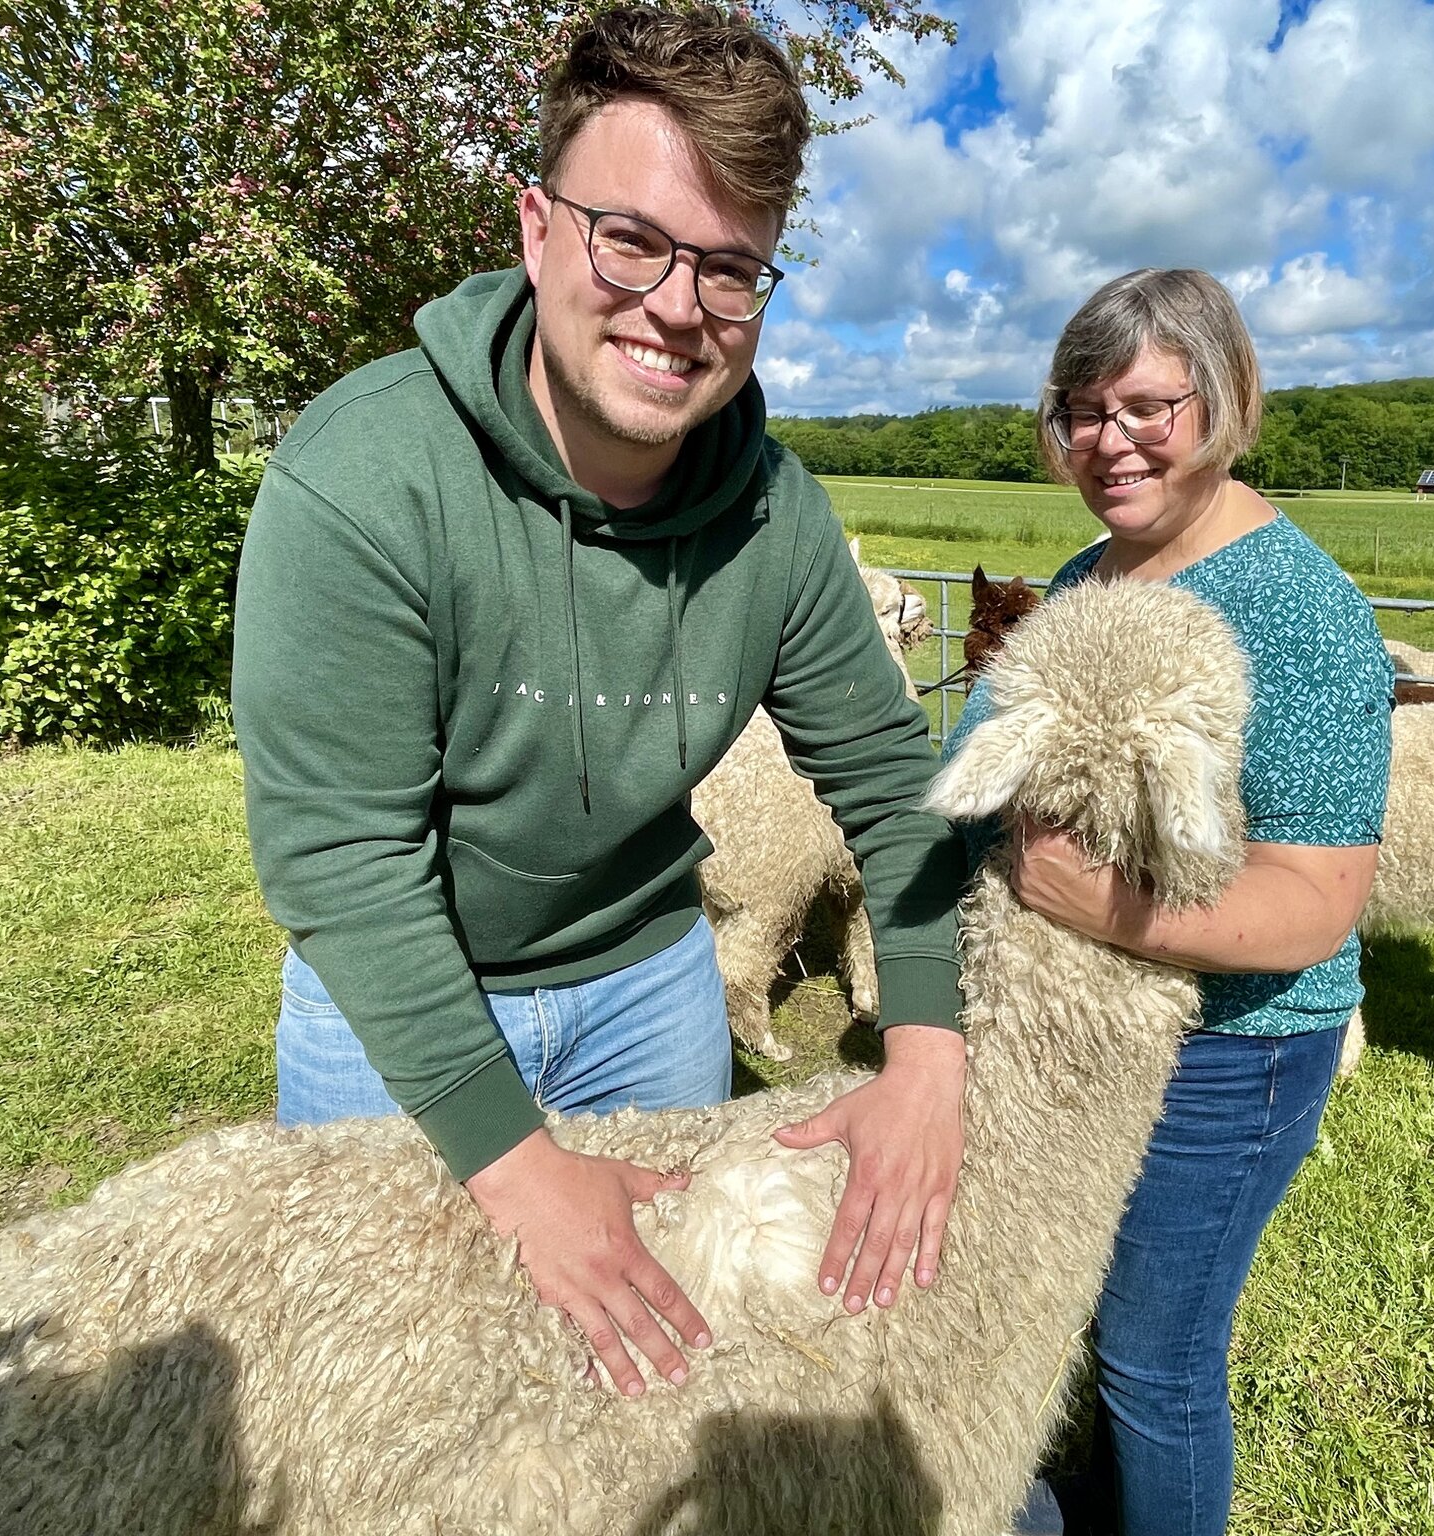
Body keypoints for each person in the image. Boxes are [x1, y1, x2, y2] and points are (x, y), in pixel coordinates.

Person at [231, 3, 967, 1404]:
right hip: (396, 995)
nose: (678, 304)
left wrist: (928, 1043)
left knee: (646, 1387)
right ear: (535, 228)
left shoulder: (776, 520)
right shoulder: (364, 479)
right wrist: (516, 1169)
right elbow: (341, 863)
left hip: (647, 977)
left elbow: (885, 776)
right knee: (394, 1393)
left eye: (732, 269)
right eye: (631, 238)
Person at [942, 269, 1391, 1536]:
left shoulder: (1296, 617)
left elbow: (1312, 904)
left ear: (1228, 399)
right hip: (1082, 1031)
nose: (1108, 442)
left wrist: (1078, 898)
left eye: (1147, 405)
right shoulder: (1100, 568)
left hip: (1226, 1051)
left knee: (1155, 1357)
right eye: (1079, 411)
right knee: (1062, 1314)